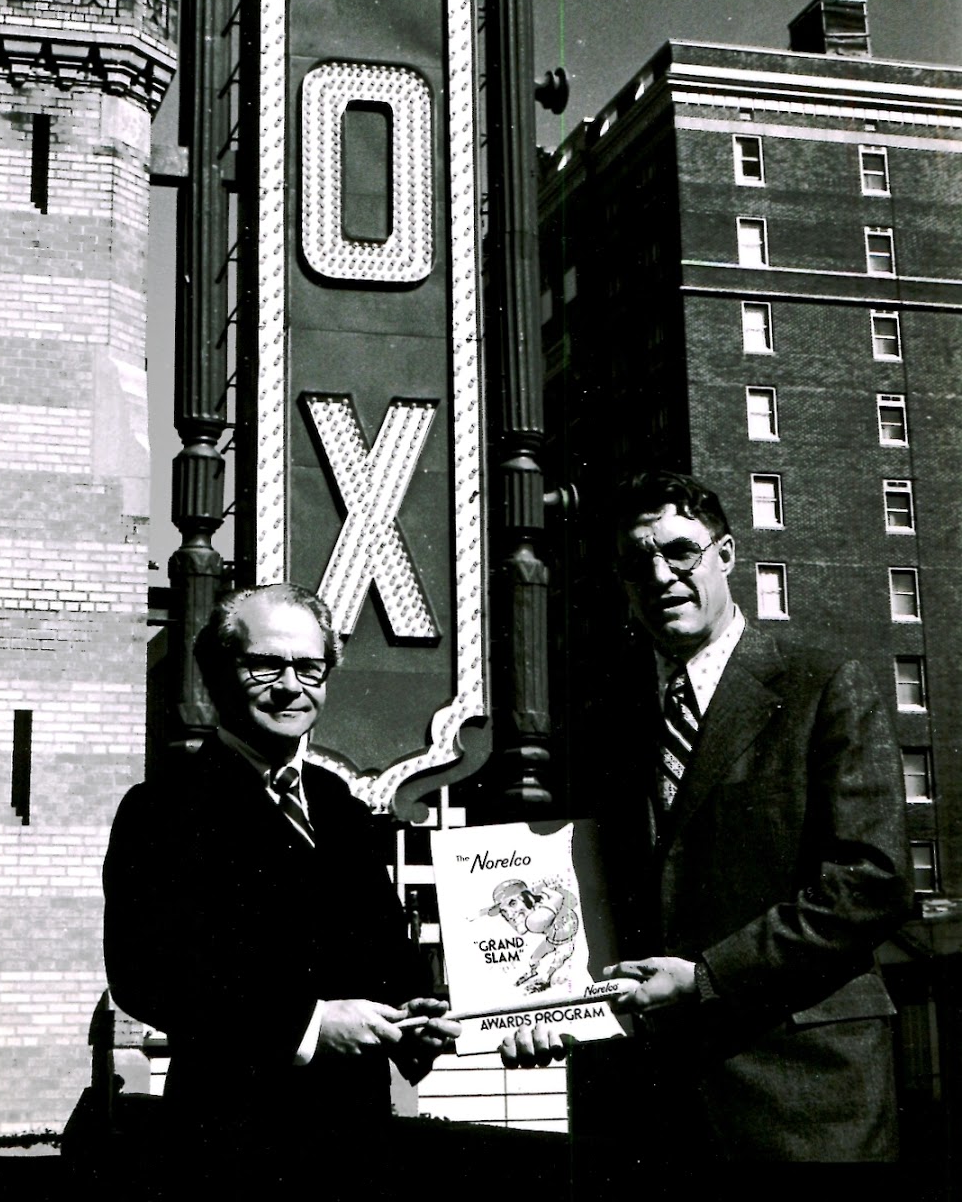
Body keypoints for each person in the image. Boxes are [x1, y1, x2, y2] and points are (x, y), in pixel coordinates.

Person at [502, 469, 912, 1164]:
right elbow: (586, 894)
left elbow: (871, 882)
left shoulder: (823, 684)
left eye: (679, 552)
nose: (660, 576)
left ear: (725, 555)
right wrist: (544, 1008)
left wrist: (707, 978)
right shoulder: (610, 720)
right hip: (652, 1108)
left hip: (803, 1095)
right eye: (637, 565)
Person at [103, 582, 458, 1186]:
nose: (292, 686)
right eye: (267, 665)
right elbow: (146, 975)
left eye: (310, 667)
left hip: (358, 1150)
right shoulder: (163, 808)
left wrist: (412, 1012)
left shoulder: (340, 806)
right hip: (232, 1152)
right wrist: (311, 1025)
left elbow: (382, 949)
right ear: (217, 674)